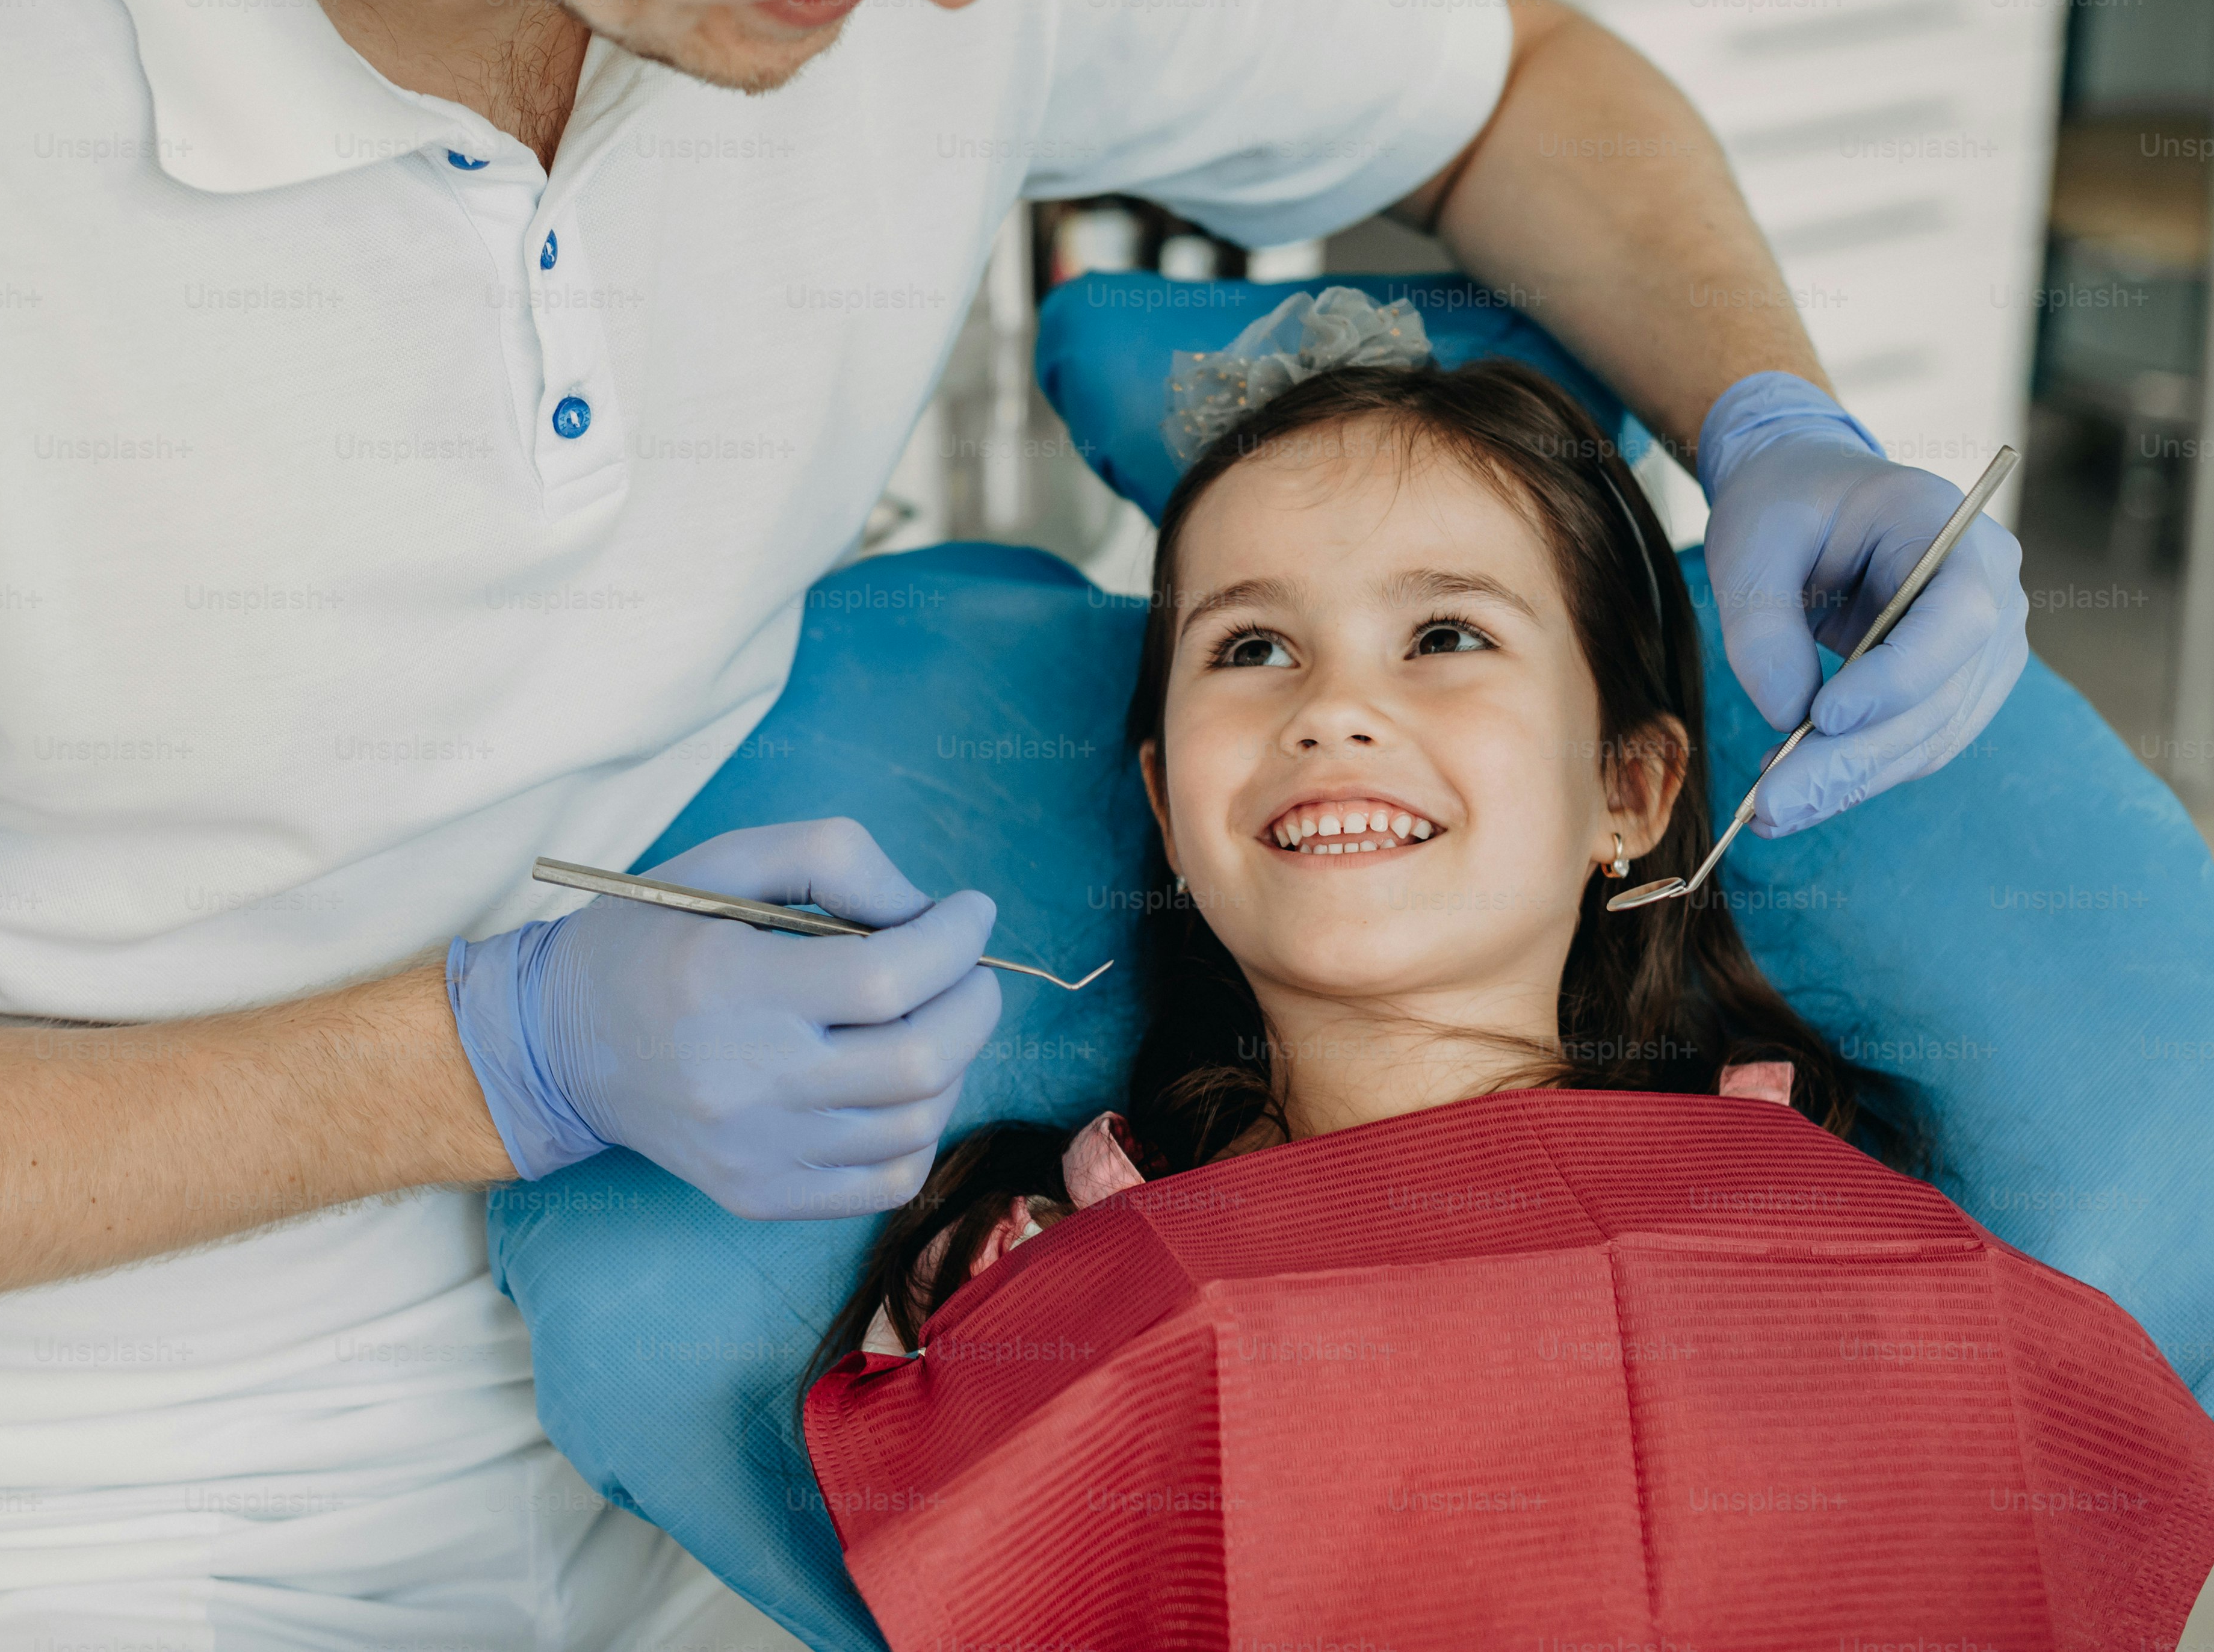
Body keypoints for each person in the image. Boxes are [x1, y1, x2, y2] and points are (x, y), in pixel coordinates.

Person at [0, 0, 2023, 1645]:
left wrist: (1767, 403)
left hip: (744, 1448)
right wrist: (490, 1055)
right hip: (59, 1519)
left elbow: (1516, 93)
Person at [817, 337, 1923, 1364]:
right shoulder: (1032, 1274)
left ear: (1624, 790)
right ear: (1166, 804)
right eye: (1251, 646)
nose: (1333, 708)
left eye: (1446, 635)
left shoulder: (1782, 1206)